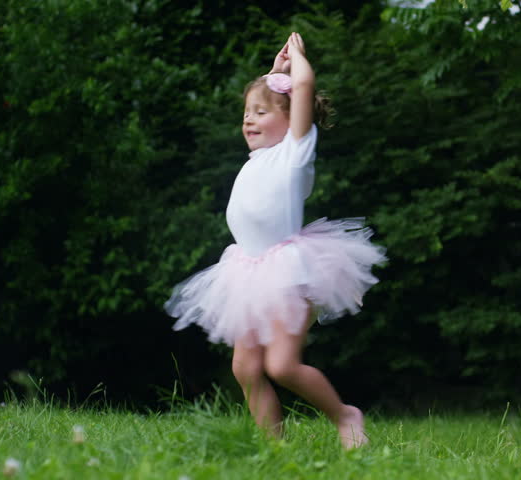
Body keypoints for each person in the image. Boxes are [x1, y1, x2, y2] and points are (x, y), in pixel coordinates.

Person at [165, 32, 386, 449]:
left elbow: (301, 88)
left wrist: (297, 59)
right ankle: (274, 449)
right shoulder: (260, 156)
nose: (249, 120)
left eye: (260, 112)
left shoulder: (294, 153)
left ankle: (345, 415)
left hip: (287, 270)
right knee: (246, 369)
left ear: (290, 120)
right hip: (247, 271)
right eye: (246, 113)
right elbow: (279, 95)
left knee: (281, 366)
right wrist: (274, 73)